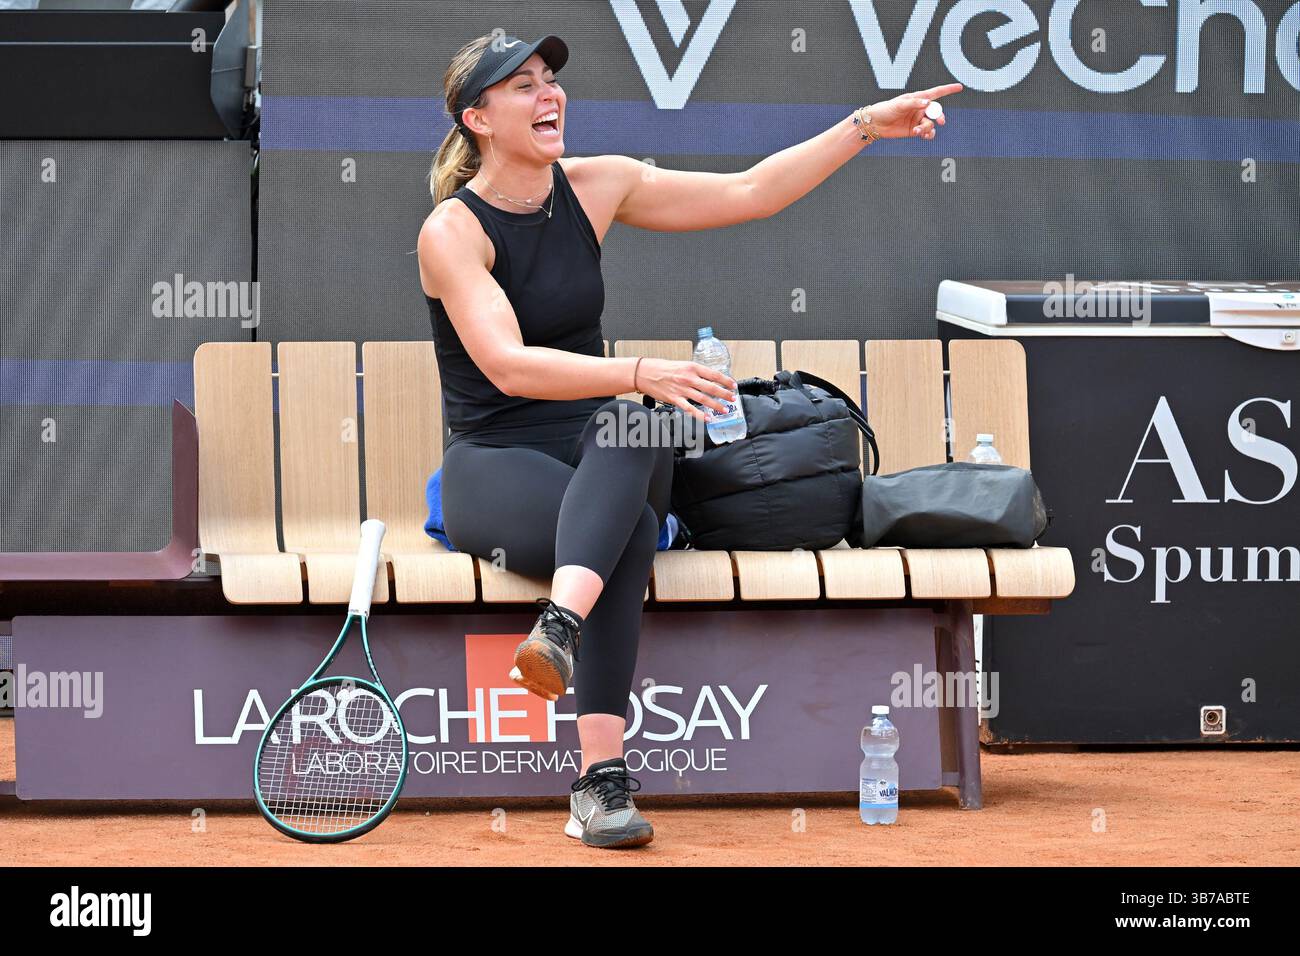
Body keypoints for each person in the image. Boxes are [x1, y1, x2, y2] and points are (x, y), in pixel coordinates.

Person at [417, 32, 960, 849]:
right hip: (496, 461)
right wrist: (635, 367)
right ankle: (599, 780)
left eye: (551, 80)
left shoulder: (599, 186)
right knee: (628, 522)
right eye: (523, 86)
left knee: (643, 422)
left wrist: (865, 126)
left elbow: (751, 192)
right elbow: (507, 367)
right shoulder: (452, 231)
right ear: (478, 118)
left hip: (606, 445)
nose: (549, 95)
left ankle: (558, 625)